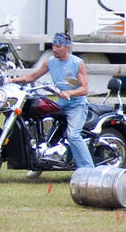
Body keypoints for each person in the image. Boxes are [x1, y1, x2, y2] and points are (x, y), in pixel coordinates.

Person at [12, 32, 93, 173]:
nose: (54, 49)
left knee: (73, 135)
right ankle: (40, 162)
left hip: (77, 105)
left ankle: (88, 170)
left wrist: (69, 93)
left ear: (67, 48)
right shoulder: (50, 62)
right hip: (61, 102)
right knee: (41, 125)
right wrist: (13, 80)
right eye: (53, 45)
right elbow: (32, 76)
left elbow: (85, 89)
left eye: (58, 46)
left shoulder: (77, 63)